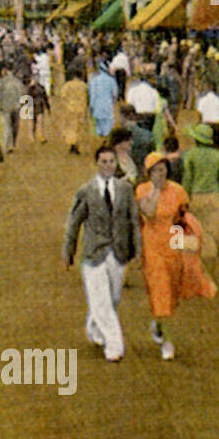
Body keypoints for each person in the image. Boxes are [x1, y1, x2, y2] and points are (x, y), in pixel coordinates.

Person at [136, 152, 217, 361]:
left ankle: (159, 323)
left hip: (173, 245)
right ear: (148, 173)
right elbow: (148, 213)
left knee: (171, 294)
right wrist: (155, 189)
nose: (159, 174)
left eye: (162, 170)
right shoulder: (142, 191)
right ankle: (168, 341)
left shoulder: (178, 191)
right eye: (155, 171)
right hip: (152, 248)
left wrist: (186, 248)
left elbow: (182, 220)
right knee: (160, 290)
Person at [63, 145, 139, 362]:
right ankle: (115, 345)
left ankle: (94, 326)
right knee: (101, 300)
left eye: (112, 162)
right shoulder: (86, 192)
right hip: (93, 254)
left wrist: (138, 251)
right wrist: (68, 252)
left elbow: (133, 221)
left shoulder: (125, 191)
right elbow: (73, 223)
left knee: (111, 299)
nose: (108, 166)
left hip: (118, 253)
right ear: (97, 164)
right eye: (104, 162)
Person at [180, 123, 219, 265]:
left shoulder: (190, 155)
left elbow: (187, 179)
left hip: (196, 197)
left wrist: (184, 199)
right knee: (212, 233)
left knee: (196, 231)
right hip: (214, 197)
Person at [0, 67, 24, 153]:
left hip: (5, 107)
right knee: (15, 126)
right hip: (16, 106)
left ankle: (7, 146)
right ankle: (13, 143)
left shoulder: (1, 82)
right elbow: (23, 93)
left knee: (7, 126)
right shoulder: (18, 82)